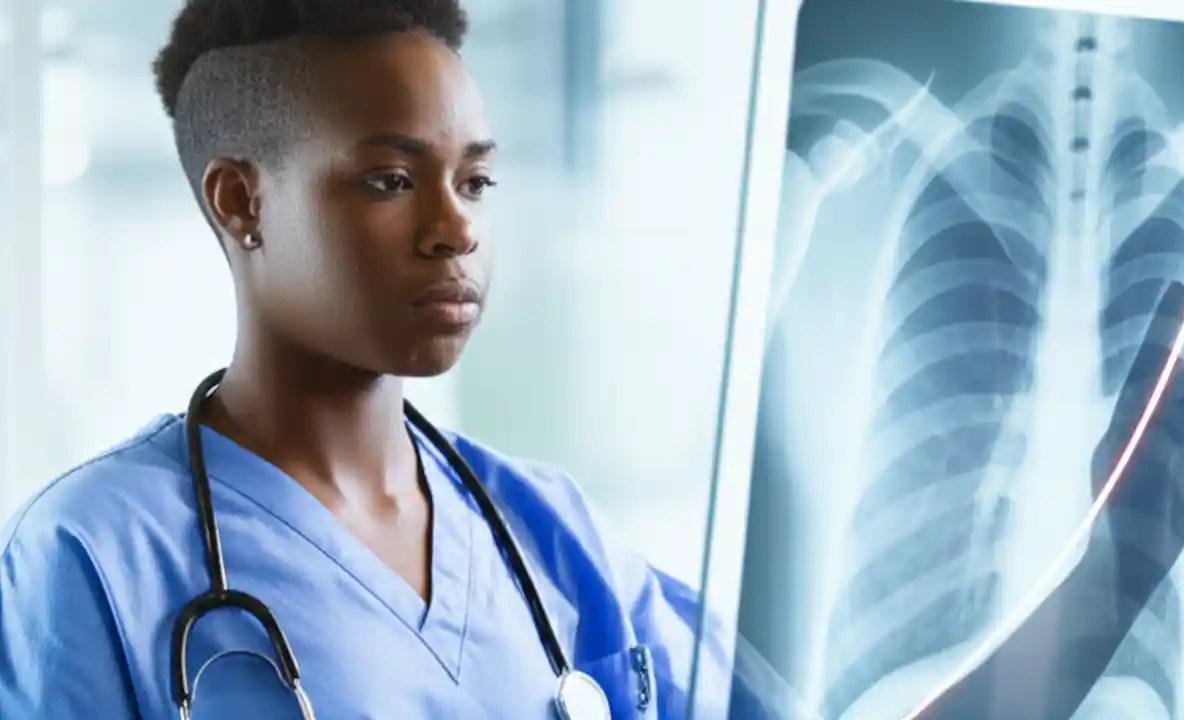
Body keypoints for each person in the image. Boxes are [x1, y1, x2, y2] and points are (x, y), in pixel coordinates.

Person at [0, 2, 734, 718]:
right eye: (391, 180)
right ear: (241, 202)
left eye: (474, 183)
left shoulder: (548, 524)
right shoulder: (93, 552)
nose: (457, 230)